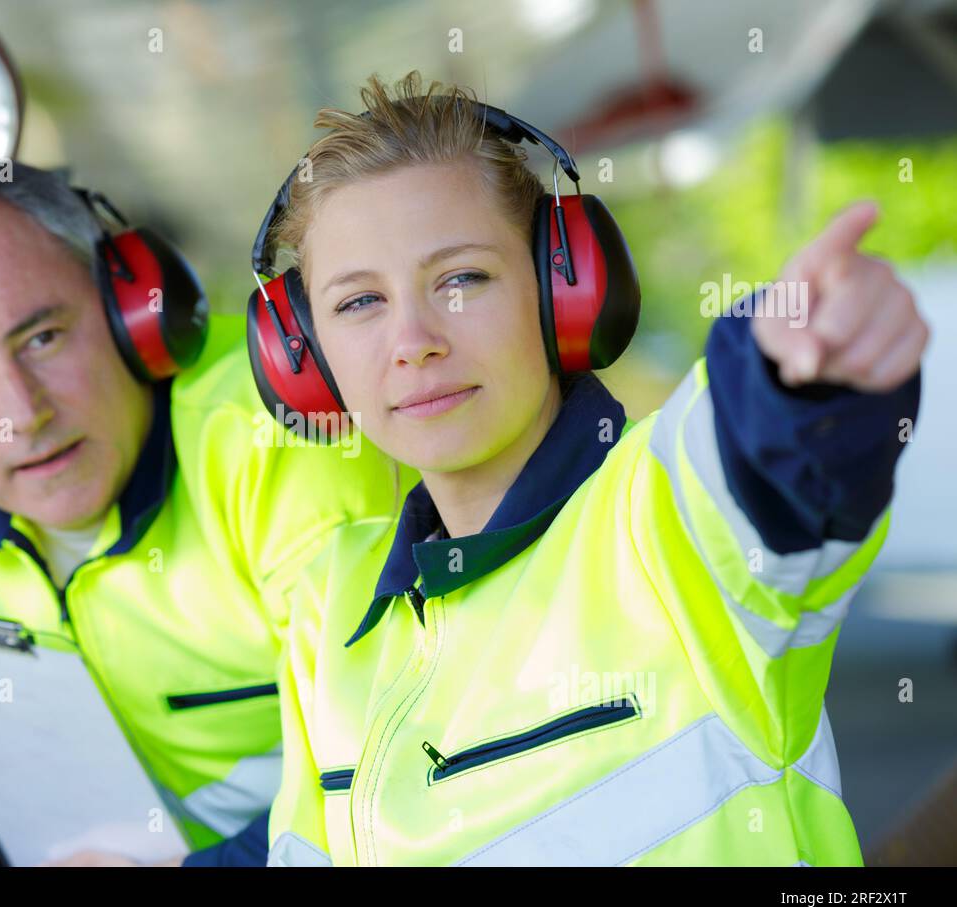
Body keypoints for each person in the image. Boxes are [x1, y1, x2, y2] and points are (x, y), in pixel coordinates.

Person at [248, 72, 928, 866]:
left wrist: (803, 375)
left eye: (461, 279)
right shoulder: (327, 607)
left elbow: (762, 451)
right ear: (302, 356)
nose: (413, 340)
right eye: (358, 302)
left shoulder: (662, 518)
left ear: (561, 289)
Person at [0, 161, 408, 865]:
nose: (21, 416)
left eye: (43, 339)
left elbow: (399, 776)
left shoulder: (284, 445)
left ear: (137, 312)